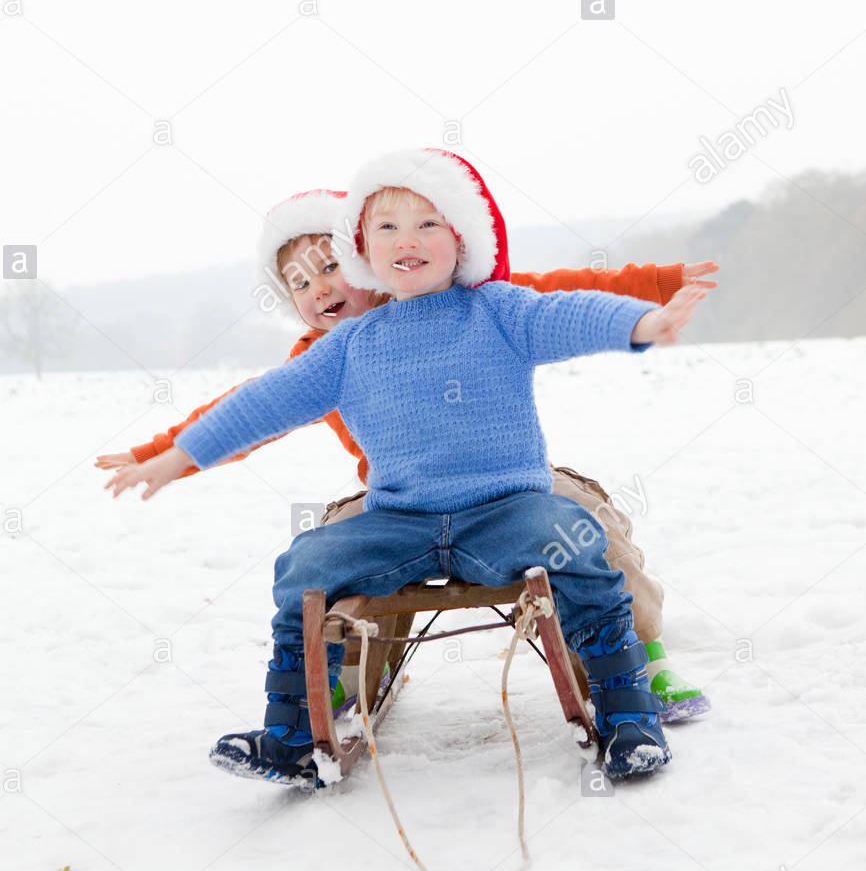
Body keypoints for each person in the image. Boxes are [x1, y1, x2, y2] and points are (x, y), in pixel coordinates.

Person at [105, 149, 707, 785]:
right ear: (369, 247)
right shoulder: (342, 347)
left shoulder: (496, 307)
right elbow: (261, 403)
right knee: (308, 561)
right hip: (399, 515)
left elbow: (572, 308)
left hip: (507, 505)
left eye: (426, 225)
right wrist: (175, 455)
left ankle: (629, 707)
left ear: (462, 241)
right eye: (387, 229)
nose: (405, 241)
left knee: (579, 538)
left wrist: (646, 317)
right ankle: (293, 733)